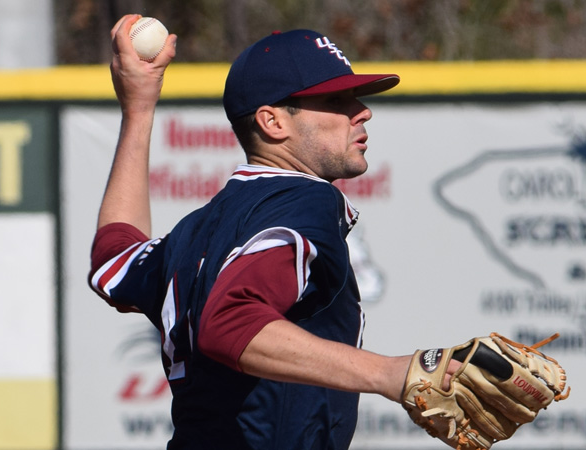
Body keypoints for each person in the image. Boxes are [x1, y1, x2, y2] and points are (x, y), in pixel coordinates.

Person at [90, 14, 453, 450]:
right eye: (337, 100)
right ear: (273, 122)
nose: (362, 111)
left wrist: (138, 108)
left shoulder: (194, 230)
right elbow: (229, 322)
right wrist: (390, 374)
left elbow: (113, 257)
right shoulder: (306, 201)